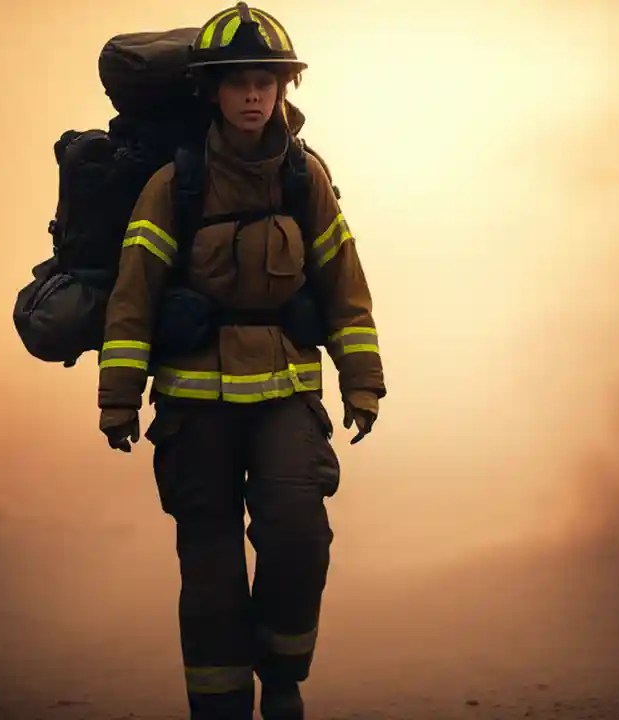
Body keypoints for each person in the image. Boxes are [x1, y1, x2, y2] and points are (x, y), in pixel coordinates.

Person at [96, 3, 385, 719]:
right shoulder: (174, 185)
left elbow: (344, 282)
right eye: (238, 82)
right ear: (212, 92)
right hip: (195, 407)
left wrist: (363, 382)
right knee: (212, 572)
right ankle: (220, 709)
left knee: (298, 535)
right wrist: (118, 396)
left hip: (285, 391)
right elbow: (133, 294)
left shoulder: (303, 178)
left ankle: (282, 675)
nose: (254, 95)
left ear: (284, 90)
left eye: (267, 81)